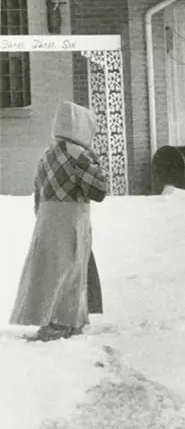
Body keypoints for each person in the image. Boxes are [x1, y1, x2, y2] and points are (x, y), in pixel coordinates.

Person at [9, 101, 109, 342]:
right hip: (72, 221)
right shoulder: (80, 156)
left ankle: (51, 319)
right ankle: (66, 322)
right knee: (72, 271)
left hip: (46, 221)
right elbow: (99, 191)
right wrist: (96, 164)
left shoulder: (46, 156)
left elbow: (37, 193)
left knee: (48, 272)